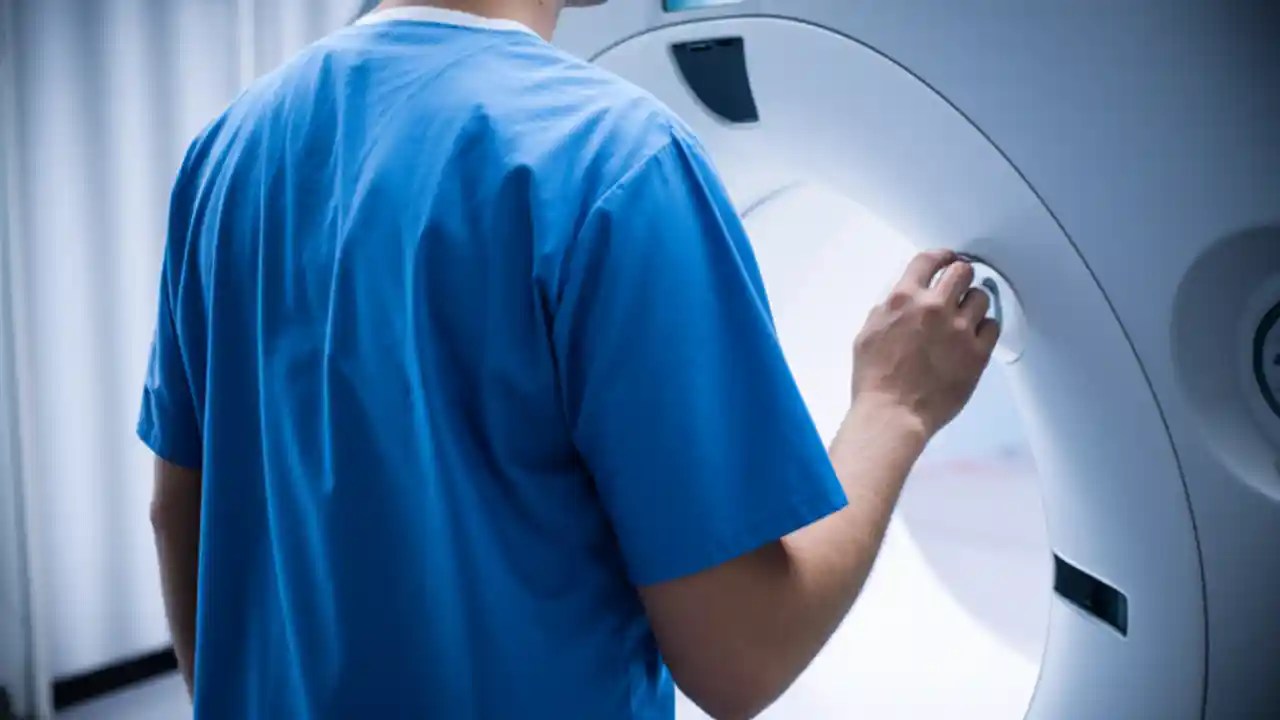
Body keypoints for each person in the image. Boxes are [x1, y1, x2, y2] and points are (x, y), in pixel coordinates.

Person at [141, 1, 999, 718]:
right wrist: (894, 406)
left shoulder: (228, 148)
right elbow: (744, 653)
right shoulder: (617, 161)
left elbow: (177, 515)